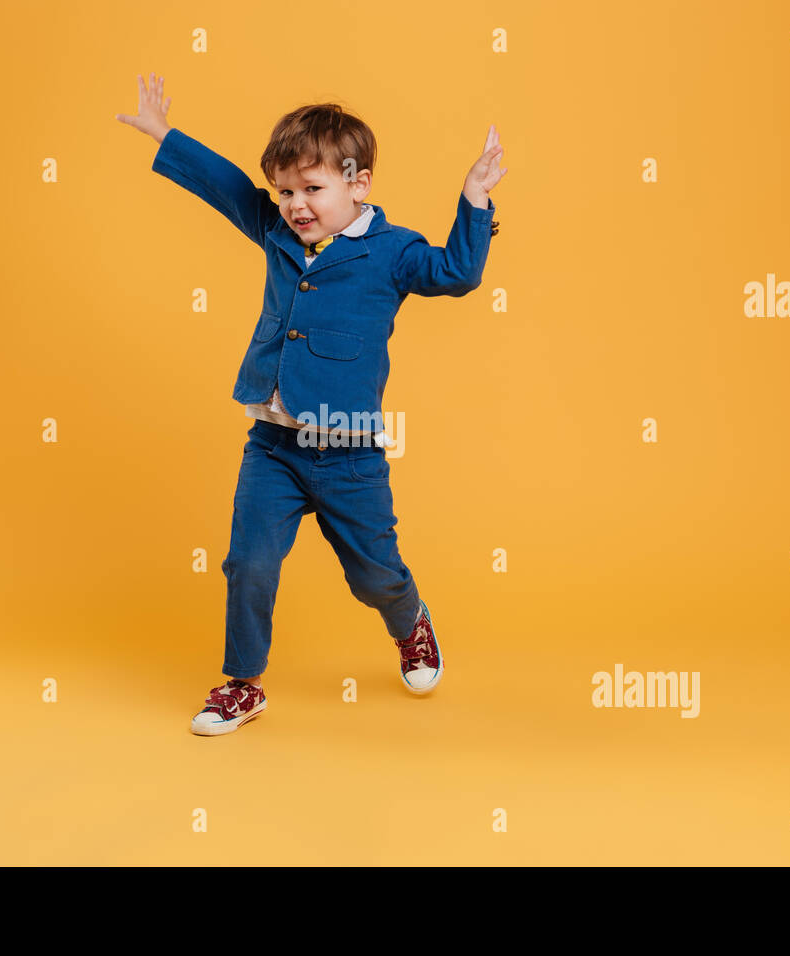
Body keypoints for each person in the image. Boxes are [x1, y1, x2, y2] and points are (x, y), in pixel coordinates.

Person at [116, 73, 507, 735]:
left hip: (349, 450)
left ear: (360, 184)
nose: (295, 205)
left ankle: (410, 622)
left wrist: (471, 200)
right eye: (287, 191)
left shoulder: (393, 251)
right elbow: (230, 189)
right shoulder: (276, 232)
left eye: (312, 190)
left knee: (373, 576)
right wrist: (165, 135)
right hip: (273, 447)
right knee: (249, 562)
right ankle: (243, 684)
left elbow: (457, 273)